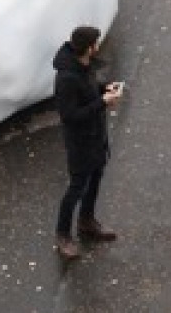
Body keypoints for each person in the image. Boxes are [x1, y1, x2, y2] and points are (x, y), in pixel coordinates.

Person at [52, 25, 122, 259]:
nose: (98, 47)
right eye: (96, 43)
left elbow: (90, 89)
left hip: (96, 138)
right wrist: (102, 102)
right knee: (76, 188)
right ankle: (63, 235)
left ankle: (87, 221)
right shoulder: (66, 79)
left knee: (95, 181)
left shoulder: (82, 65)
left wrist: (104, 88)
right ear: (89, 47)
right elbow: (70, 116)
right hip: (81, 144)